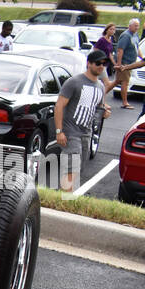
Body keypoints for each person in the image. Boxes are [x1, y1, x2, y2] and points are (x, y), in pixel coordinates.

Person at [54, 49, 113, 192]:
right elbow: (59, 105)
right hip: (70, 132)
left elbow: (98, 108)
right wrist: (59, 131)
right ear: (89, 64)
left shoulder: (100, 86)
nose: (101, 66)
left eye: (104, 64)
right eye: (98, 63)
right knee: (71, 169)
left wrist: (104, 112)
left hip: (86, 134)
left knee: (78, 170)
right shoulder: (74, 82)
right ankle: (64, 202)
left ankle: (63, 198)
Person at [113, 18, 140, 108]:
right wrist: (119, 64)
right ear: (130, 26)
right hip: (125, 63)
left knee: (117, 81)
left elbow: (137, 47)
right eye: (135, 26)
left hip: (131, 63)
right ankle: (125, 103)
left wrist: (143, 59)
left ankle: (103, 93)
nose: (137, 28)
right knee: (125, 82)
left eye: (138, 26)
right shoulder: (126, 36)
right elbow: (120, 50)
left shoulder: (135, 35)